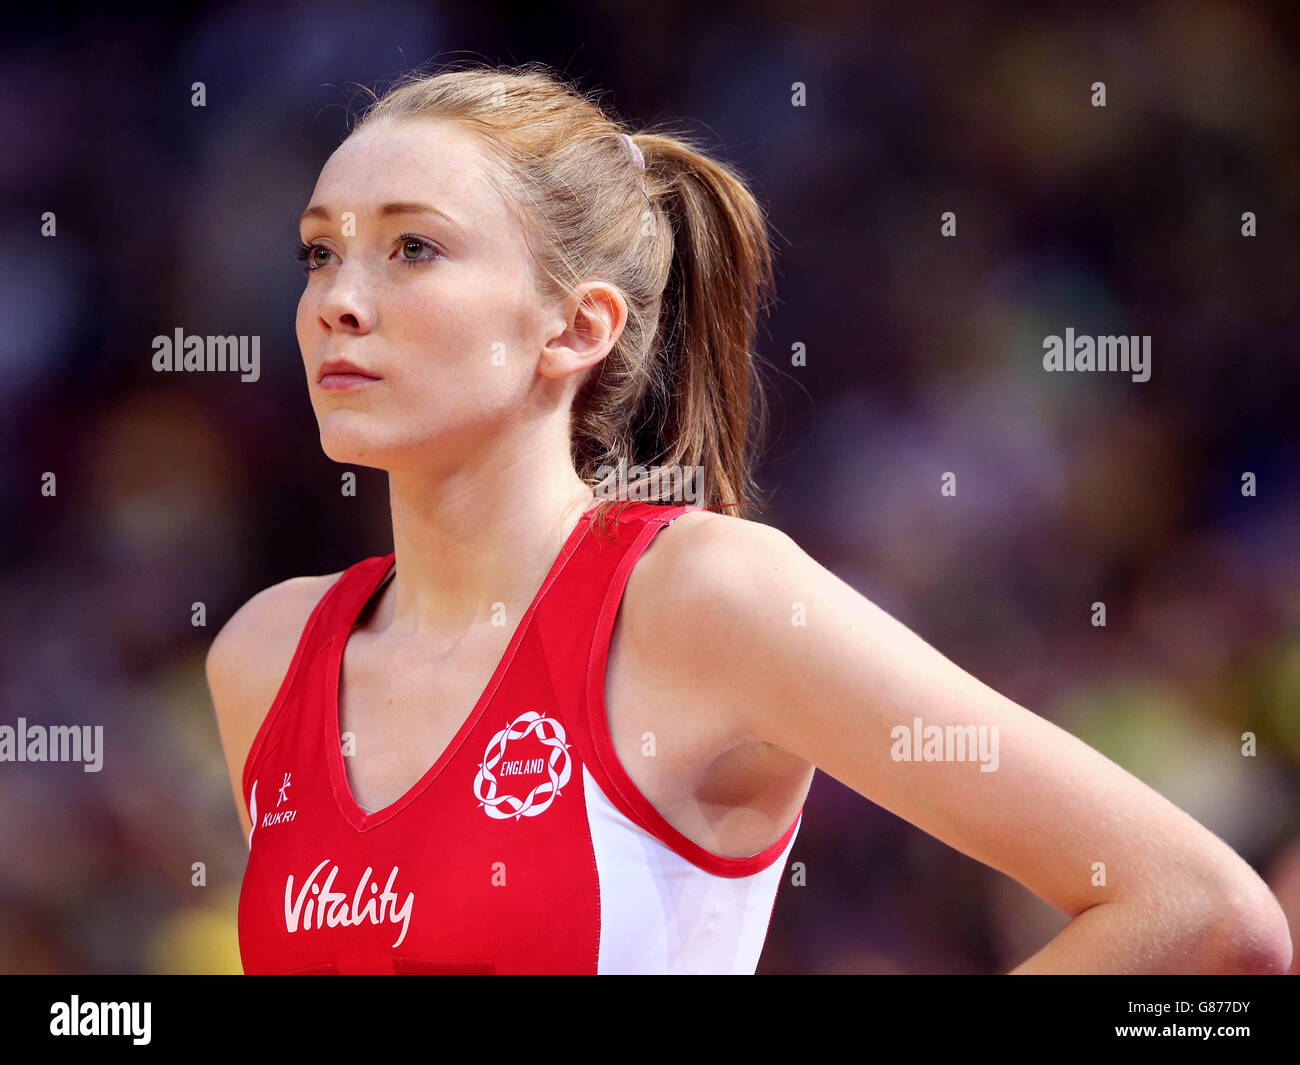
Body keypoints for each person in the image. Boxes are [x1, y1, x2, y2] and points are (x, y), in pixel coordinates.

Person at [205, 61, 1292, 974]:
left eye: (412, 249)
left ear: (574, 327)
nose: (337, 299)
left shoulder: (700, 598)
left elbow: (1199, 916)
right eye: (319, 251)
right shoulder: (267, 653)